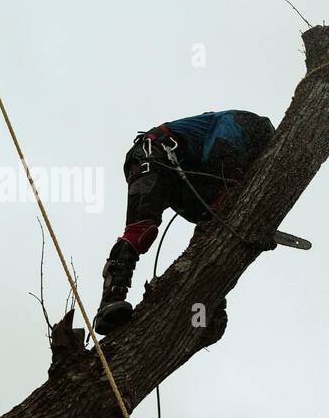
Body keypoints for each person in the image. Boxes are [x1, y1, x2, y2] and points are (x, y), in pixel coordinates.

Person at [94, 109, 275, 335]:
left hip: (178, 171)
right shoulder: (246, 124)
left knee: (211, 223)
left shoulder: (246, 143)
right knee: (142, 230)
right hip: (153, 155)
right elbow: (220, 157)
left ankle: (206, 293)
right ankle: (111, 300)